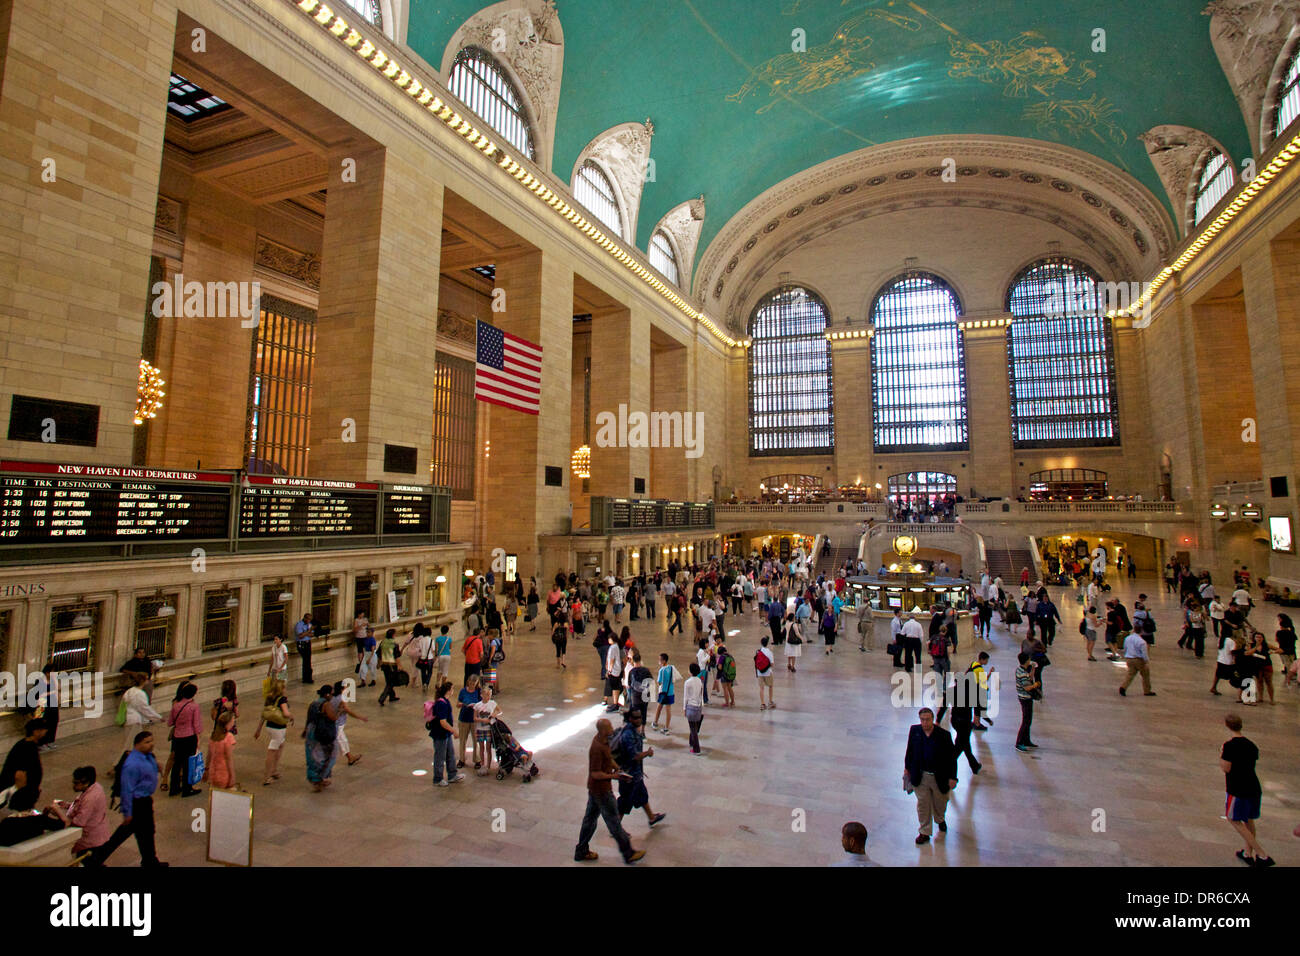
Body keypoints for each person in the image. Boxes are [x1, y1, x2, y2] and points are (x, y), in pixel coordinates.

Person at [574, 718, 645, 864]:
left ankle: (581, 850)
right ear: (602, 730)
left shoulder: (604, 740)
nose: (612, 728)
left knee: (590, 820)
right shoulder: (596, 748)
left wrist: (616, 767)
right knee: (614, 824)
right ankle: (628, 853)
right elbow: (595, 773)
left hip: (595, 791)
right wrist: (615, 776)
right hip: (602, 791)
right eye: (609, 727)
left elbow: (608, 757)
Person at [89, 731, 165, 867]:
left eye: (151, 741)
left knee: (145, 833)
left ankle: (150, 861)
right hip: (138, 804)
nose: (151, 744)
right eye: (147, 742)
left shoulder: (147, 756)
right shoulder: (132, 764)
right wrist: (127, 812)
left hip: (146, 801)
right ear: (138, 744)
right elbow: (127, 790)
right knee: (126, 834)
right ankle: (95, 859)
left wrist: (156, 766)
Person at [1220, 713, 1274, 866]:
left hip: (1237, 788)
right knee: (1248, 819)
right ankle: (1247, 852)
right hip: (1253, 786)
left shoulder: (1229, 746)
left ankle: (1262, 854)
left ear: (1227, 726)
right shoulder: (1251, 745)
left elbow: (1226, 768)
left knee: (1234, 819)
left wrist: (1221, 755)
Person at [903, 708, 958, 845]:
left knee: (940, 802)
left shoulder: (943, 735)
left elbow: (951, 758)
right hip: (921, 775)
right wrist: (907, 768)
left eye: (927, 719)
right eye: (922, 720)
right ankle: (924, 831)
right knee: (923, 804)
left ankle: (940, 818)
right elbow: (909, 751)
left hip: (939, 776)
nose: (925, 722)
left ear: (932, 719)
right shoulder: (915, 731)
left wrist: (953, 777)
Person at [611, 709, 667, 826]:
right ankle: (616, 827)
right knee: (625, 801)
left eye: (640, 717)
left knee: (642, 795)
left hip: (635, 774)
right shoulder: (628, 735)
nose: (639, 719)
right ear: (630, 719)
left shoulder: (633, 730)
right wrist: (648, 753)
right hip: (629, 776)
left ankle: (651, 818)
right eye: (636, 718)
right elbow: (635, 756)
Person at [49, 766, 109, 863]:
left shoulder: (90, 798)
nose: (73, 786)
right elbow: (81, 807)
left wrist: (58, 811)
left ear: (86, 783)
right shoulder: (95, 787)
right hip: (96, 835)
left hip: (90, 841)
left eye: (76, 783)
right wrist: (67, 805)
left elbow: (77, 822)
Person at [0, 719, 47, 812]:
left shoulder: (26, 744)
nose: (46, 732)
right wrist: (23, 795)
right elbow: (19, 775)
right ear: (36, 731)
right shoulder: (27, 748)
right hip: (18, 792)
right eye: (44, 730)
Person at [253, 678, 293, 786]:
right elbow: (285, 713)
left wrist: (258, 729)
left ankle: (274, 770)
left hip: (269, 726)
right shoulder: (282, 699)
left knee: (280, 745)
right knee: (272, 751)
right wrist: (291, 716)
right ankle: (267, 776)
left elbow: (264, 715)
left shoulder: (269, 698)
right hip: (278, 728)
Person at [166, 682, 203, 798]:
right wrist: (198, 737)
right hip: (189, 737)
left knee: (177, 763)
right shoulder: (194, 706)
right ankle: (187, 789)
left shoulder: (176, 705)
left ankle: (174, 788)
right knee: (188, 764)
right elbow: (196, 724)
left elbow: (170, 722)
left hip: (177, 737)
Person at [303, 685, 339, 792]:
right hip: (321, 733)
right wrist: (340, 711)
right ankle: (318, 779)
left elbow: (309, 718)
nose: (333, 696)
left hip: (311, 732)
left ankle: (317, 779)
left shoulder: (313, 703)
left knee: (313, 757)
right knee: (328, 755)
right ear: (327, 694)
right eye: (332, 694)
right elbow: (333, 717)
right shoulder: (326, 704)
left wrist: (305, 730)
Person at [119, 671, 162, 761]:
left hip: (128, 719)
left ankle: (120, 764)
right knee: (131, 744)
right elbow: (145, 709)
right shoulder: (140, 694)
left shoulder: (129, 691)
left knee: (128, 742)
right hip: (135, 720)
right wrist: (158, 717)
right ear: (144, 681)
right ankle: (119, 765)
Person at [428, 681, 464, 787]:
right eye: (452, 689)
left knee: (450, 754)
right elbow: (442, 722)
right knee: (440, 756)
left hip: (445, 734)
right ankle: (437, 779)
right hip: (440, 734)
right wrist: (454, 731)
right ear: (449, 691)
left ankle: (452, 775)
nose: (453, 691)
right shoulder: (441, 704)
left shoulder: (445, 701)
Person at [332, 680, 367, 767]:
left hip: (336, 723)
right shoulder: (342, 698)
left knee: (343, 740)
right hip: (337, 724)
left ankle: (350, 757)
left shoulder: (333, 697)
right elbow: (348, 711)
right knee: (338, 741)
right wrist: (360, 717)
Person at [1014, 652, 1040, 753]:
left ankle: (1026, 740)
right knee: (1026, 721)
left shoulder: (1021, 670)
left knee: (1028, 720)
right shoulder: (1022, 672)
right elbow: (1027, 687)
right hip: (1025, 698)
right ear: (1026, 661)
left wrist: (1033, 668)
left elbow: (1028, 679)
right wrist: (1036, 685)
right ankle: (1019, 742)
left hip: (1025, 698)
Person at [205, 710, 237, 790]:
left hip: (213, 772)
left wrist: (206, 770)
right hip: (224, 772)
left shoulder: (213, 736)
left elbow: (208, 756)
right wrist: (232, 776)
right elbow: (229, 759)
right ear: (228, 723)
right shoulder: (228, 737)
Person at [1118, 627, 1155, 697]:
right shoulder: (1142, 642)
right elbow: (1144, 653)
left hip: (1129, 658)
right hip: (1138, 660)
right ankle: (1147, 690)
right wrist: (1146, 661)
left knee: (1130, 674)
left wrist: (1126, 655)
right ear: (1141, 632)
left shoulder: (1127, 638)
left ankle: (1123, 687)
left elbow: (1125, 648)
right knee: (1145, 675)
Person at [473, 685, 501, 775]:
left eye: (490, 694)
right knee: (481, 747)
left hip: (489, 729)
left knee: (488, 748)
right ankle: (482, 764)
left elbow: (499, 711)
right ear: (482, 695)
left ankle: (488, 766)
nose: (488, 696)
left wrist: (494, 715)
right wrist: (483, 720)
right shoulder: (478, 705)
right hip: (480, 729)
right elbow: (475, 718)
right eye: (487, 694)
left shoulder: (492, 703)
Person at [456, 675, 482, 770]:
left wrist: (475, 706)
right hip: (464, 718)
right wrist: (463, 704)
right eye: (470, 683)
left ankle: (477, 760)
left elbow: (482, 704)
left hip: (474, 719)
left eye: (474, 684)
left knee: (476, 741)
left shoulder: (479, 692)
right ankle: (462, 759)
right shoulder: (463, 691)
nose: (472, 685)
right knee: (462, 740)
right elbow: (457, 704)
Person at [652, 653, 680, 734]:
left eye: (659, 660)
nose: (659, 662)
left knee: (659, 708)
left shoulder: (662, 670)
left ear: (663, 661)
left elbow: (659, 682)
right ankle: (666, 728)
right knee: (668, 710)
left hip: (663, 692)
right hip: (670, 692)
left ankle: (655, 723)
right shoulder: (671, 667)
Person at [683, 662, 705, 755]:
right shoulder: (700, 681)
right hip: (698, 706)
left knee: (693, 728)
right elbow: (701, 695)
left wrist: (684, 708)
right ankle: (691, 742)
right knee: (694, 726)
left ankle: (696, 749)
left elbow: (686, 696)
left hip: (690, 707)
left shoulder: (688, 682)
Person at [377, 627, 402, 706]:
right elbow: (396, 656)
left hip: (384, 665)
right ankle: (382, 698)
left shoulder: (382, 643)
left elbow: (379, 654)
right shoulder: (394, 644)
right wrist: (399, 665)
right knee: (391, 683)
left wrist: (379, 663)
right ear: (393, 635)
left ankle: (392, 696)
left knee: (388, 681)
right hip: (392, 665)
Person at [411, 624, 436, 696]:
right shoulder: (431, 640)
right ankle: (427, 683)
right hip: (429, 658)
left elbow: (420, 649)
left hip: (422, 658)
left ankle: (423, 684)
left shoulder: (421, 640)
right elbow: (433, 650)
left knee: (423, 672)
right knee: (430, 672)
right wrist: (434, 657)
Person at [755, 635, 776, 710]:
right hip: (768, 672)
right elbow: (772, 664)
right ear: (767, 643)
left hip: (760, 672)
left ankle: (762, 704)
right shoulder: (770, 652)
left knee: (761, 688)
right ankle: (770, 701)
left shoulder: (758, 651)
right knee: (770, 686)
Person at [1276, 614, 1297, 687]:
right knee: (1292, 662)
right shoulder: (1292, 632)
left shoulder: (1279, 633)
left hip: (1283, 650)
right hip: (1291, 650)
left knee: (1287, 664)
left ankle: (1291, 677)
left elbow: (1278, 640)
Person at [294, 611, 315, 684]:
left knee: (308, 660)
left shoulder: (309, 624)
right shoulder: (299, 625)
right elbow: (300, 635)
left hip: (308, 643)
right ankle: (305, 678)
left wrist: (306, 633)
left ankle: (308, 677)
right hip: (301, 644)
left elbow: (312, 634)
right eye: (308, 619)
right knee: (305, 660)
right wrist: (308, 631)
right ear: (305, 618)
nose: (309, 621)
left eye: (310, 620)